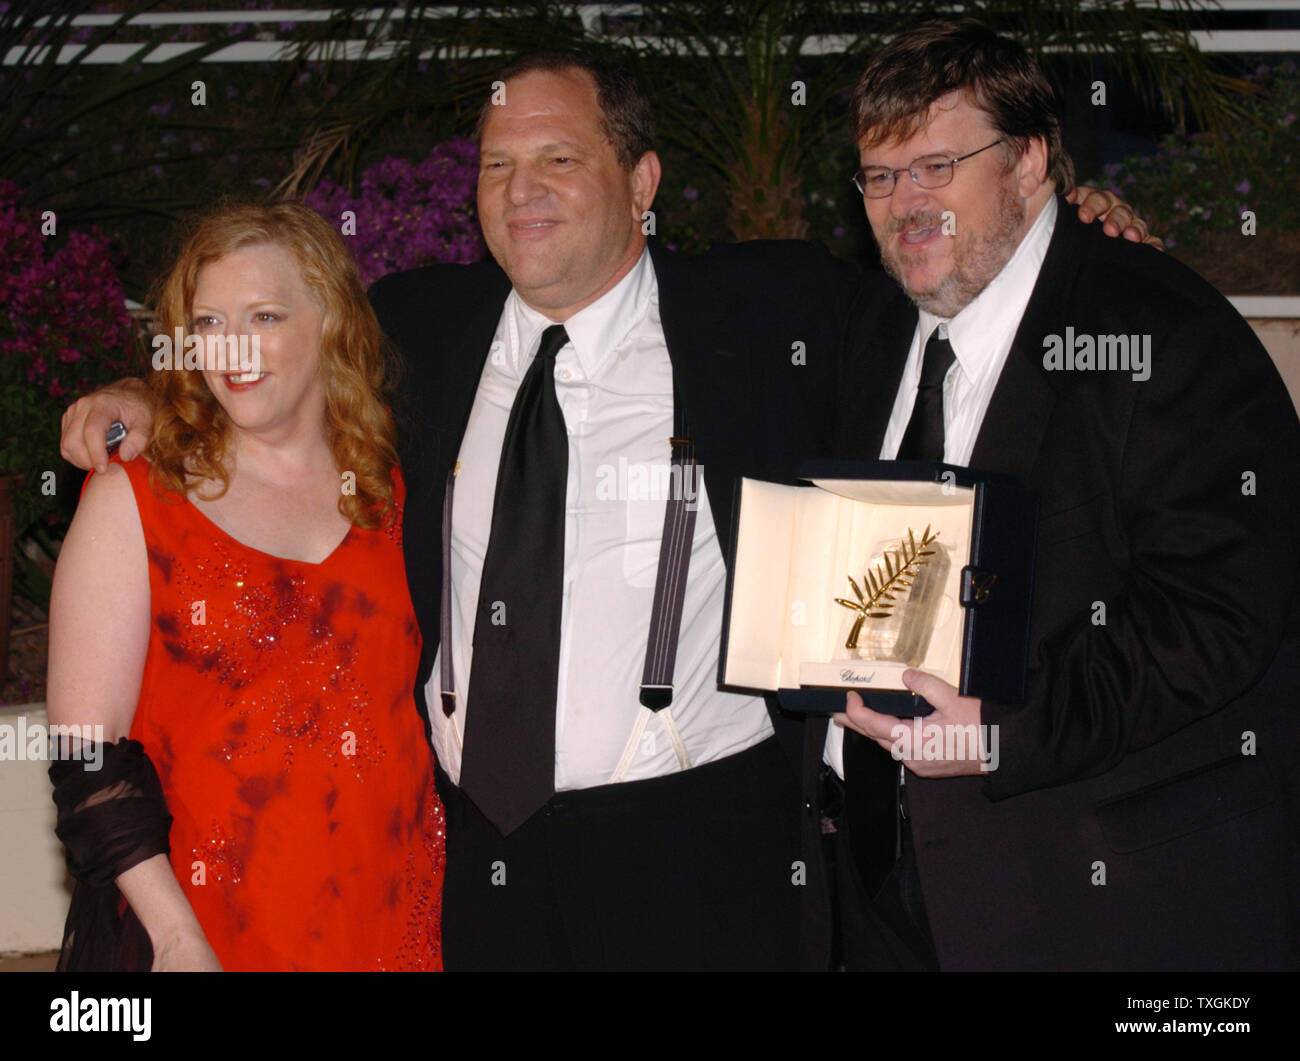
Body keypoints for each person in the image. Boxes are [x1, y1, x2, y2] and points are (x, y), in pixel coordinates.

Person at [59, 51, 1148, 971]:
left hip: (699, 848)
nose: (519, 189)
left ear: (642, 180)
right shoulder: (421, 328)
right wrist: (147, 396)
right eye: (496, 165)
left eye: (557, 159)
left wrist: (1069, 231)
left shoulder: (770, 310)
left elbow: (952, 270)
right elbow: (280, 366)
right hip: (475, 858)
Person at [823, 18, 1300, 970]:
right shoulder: (866, 326)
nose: (905, 203)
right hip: (884, 893)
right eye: (880, 176)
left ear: (1032, 159)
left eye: (937, 166)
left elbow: (1220, 615)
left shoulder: (1160, 327)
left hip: (1102, 900)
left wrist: (1003, 730)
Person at [47, 202, 444, 971]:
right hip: (208, 933)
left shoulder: (395, 487)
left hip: (396, 923)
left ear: (329, 319)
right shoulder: (134, 498)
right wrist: (174, 934)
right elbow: (85, 761)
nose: (231, 348)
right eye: (208, 321)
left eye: (263, 315)